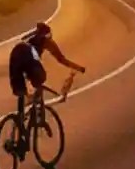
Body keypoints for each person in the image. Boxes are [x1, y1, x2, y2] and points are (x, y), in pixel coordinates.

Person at [7, 22, 86, 157]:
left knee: (21, 91)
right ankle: (34, 111)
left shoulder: (31, 36)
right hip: (27, 55)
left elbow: (24, 55)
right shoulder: (46, 40)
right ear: (47, 35)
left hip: (15, 54)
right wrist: (78, 68)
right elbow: (61, 59)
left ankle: (19, 139)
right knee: (41, 79)